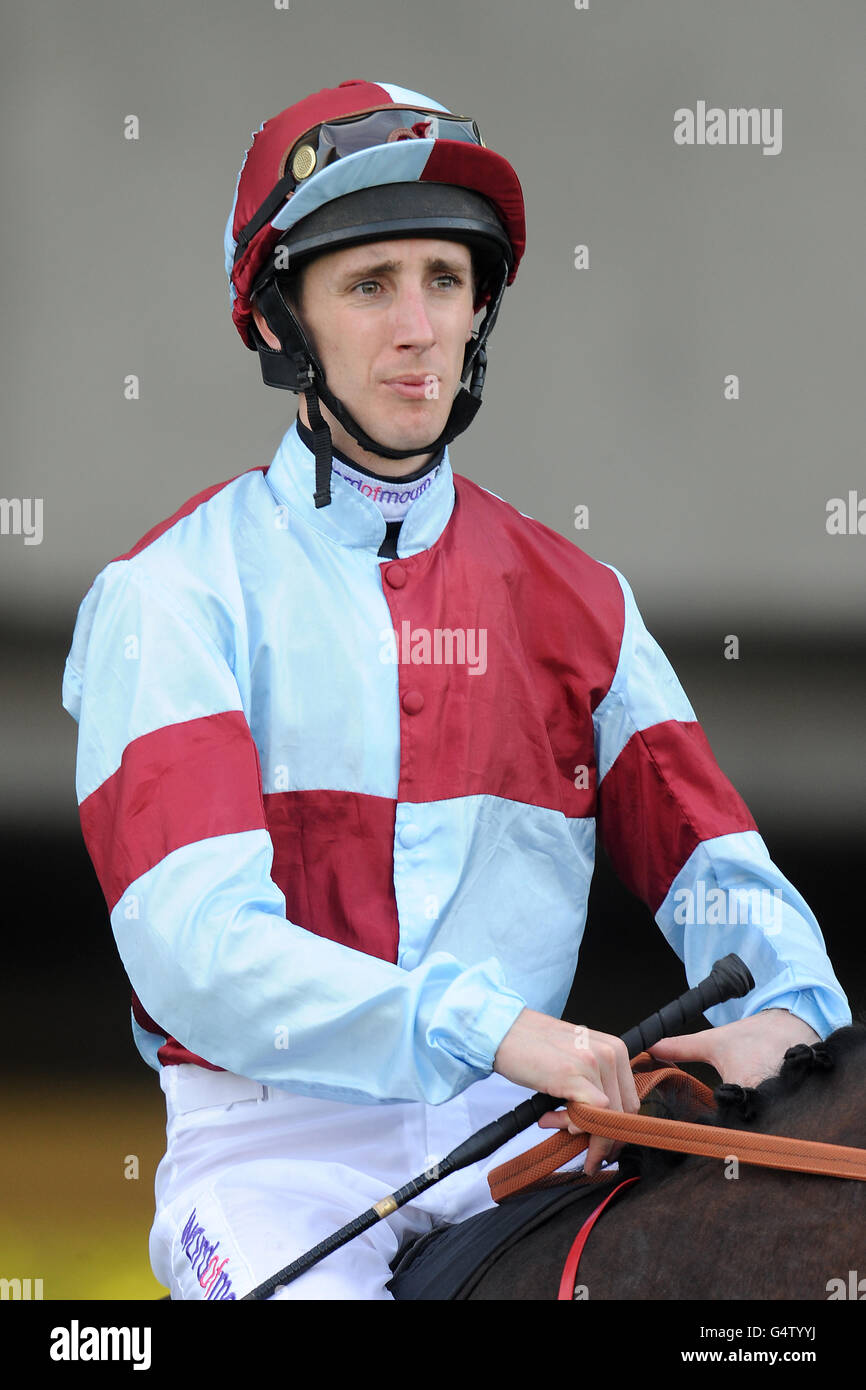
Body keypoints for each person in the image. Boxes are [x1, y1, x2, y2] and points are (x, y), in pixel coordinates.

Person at [62, 79, 850, 1301]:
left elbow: (720, 876)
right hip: (277, 1165)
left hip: (527, 1140)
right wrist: (488, 1026)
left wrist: (792, 1016)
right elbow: (197, 949)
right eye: (369, 285)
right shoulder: (168, 598)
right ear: (279, 321)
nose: (418, 325)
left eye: (444, 278)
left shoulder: (580, 599)